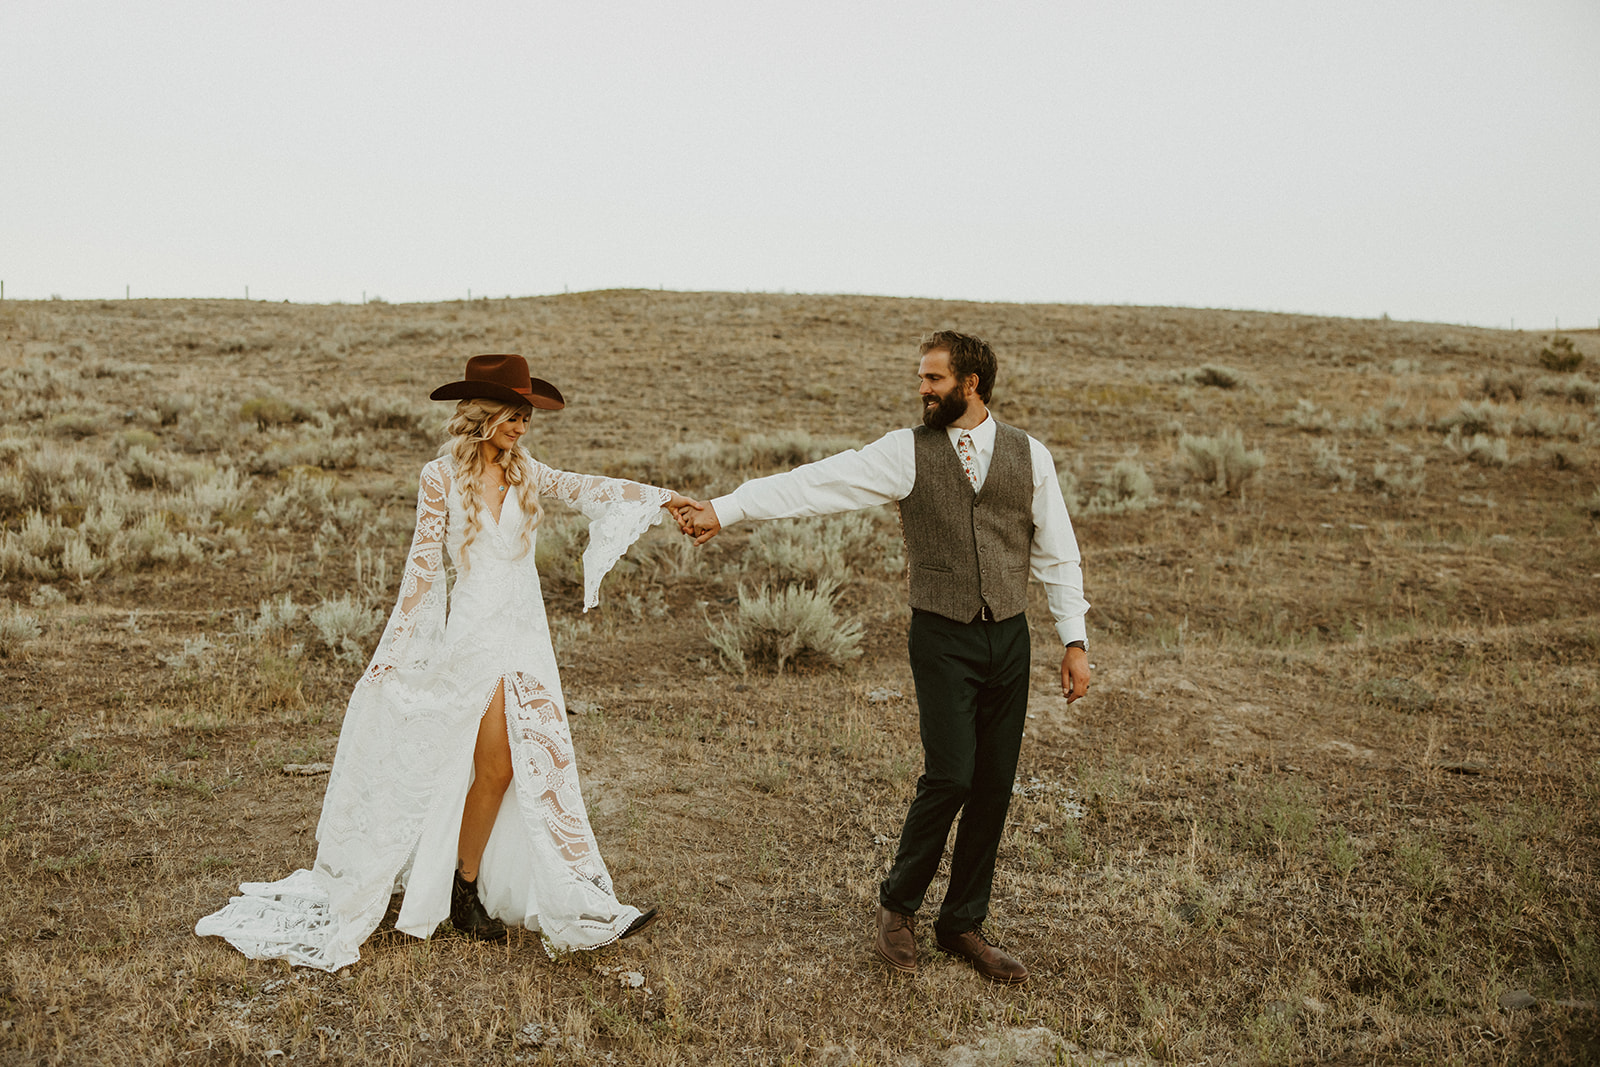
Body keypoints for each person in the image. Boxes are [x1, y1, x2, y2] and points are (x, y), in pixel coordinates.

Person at [198, 354, 693, 971]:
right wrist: (394, 649)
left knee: (517, 762)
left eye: (527, 416)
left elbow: (589, 488)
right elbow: (422, 569)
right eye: (514, 415)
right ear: (483, 415)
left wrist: (665, 498)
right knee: (481, 760)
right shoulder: (439, 478)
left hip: (526, 635)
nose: (523, 427)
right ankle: (458, 888)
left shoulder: (527, 472)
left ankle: (471, 884)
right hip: (474, 636)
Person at [675, 331, 1089, 984]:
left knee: (993, 783)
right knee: (952, 772)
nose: (921, 389)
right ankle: (898, 904)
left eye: (933, 379)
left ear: (972, 383)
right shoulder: (906, 453)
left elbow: (1057, 550)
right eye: (921, 378)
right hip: (942, 635)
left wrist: (1075, 639)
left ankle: (962, 924)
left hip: (1008, 638)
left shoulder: (1029, 456)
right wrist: (727, 509)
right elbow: (818, 483)